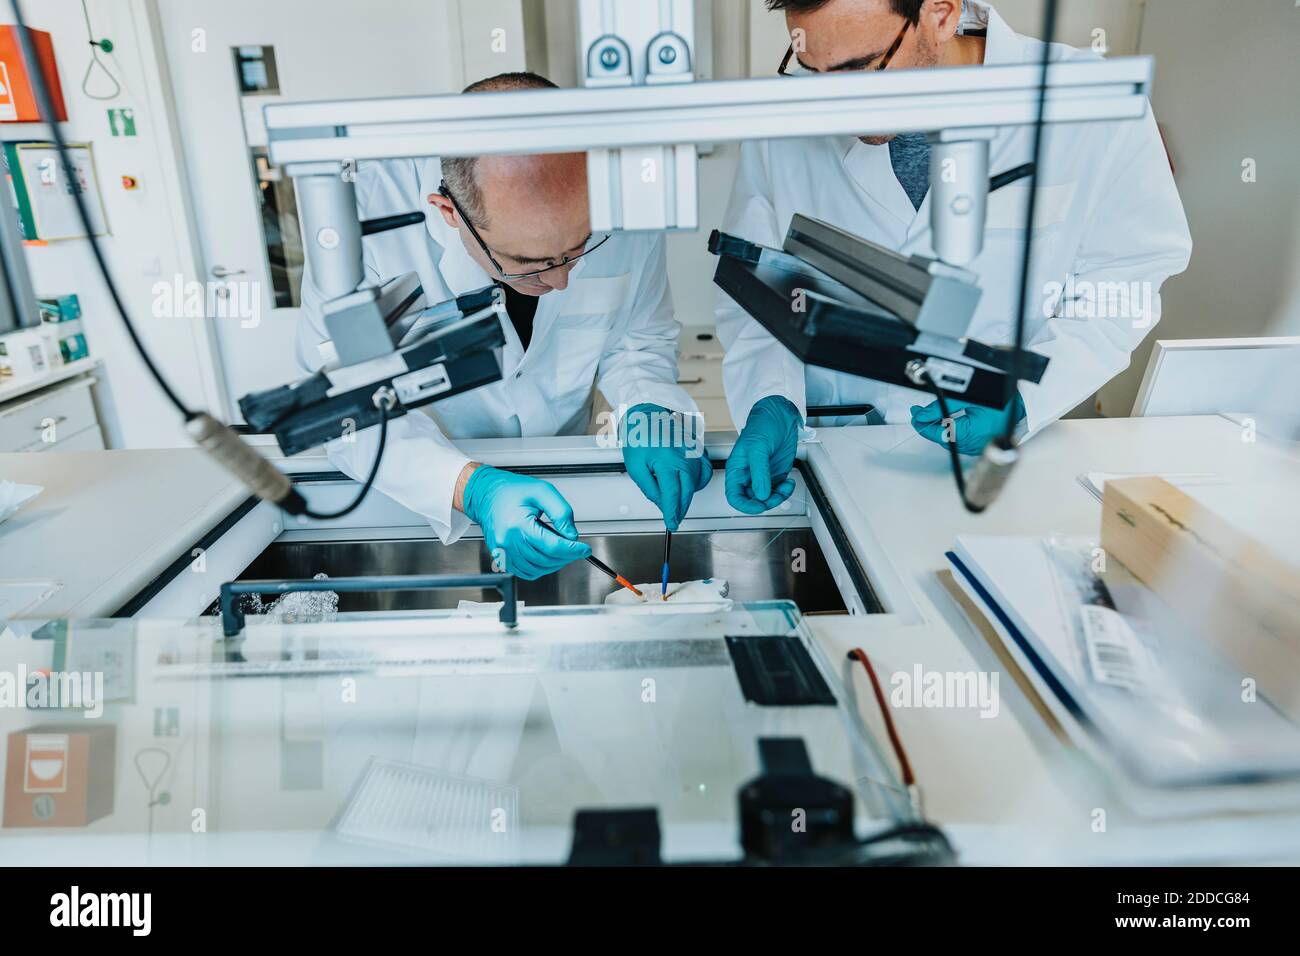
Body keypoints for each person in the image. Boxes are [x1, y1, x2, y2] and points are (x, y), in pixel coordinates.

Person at [717, 0, 1192, 514]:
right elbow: (759, 283)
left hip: (1005, 483)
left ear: (940, 13)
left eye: (862, 69)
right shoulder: (782, 121)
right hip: (836, 470)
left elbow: (1127, 278)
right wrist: (770, 396)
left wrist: (1027, 397)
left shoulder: (1090, 105)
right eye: (814, 71)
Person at [297, 72, 710, 579]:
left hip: (565, 482)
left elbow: (636, 339)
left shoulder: (622, 197)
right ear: (449, 212)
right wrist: (470, 488)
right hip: (426, 491)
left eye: (578, 247)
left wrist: (651, 410)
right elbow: (344, 406)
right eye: (529, 261)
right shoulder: (361, 218)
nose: (560, 280)